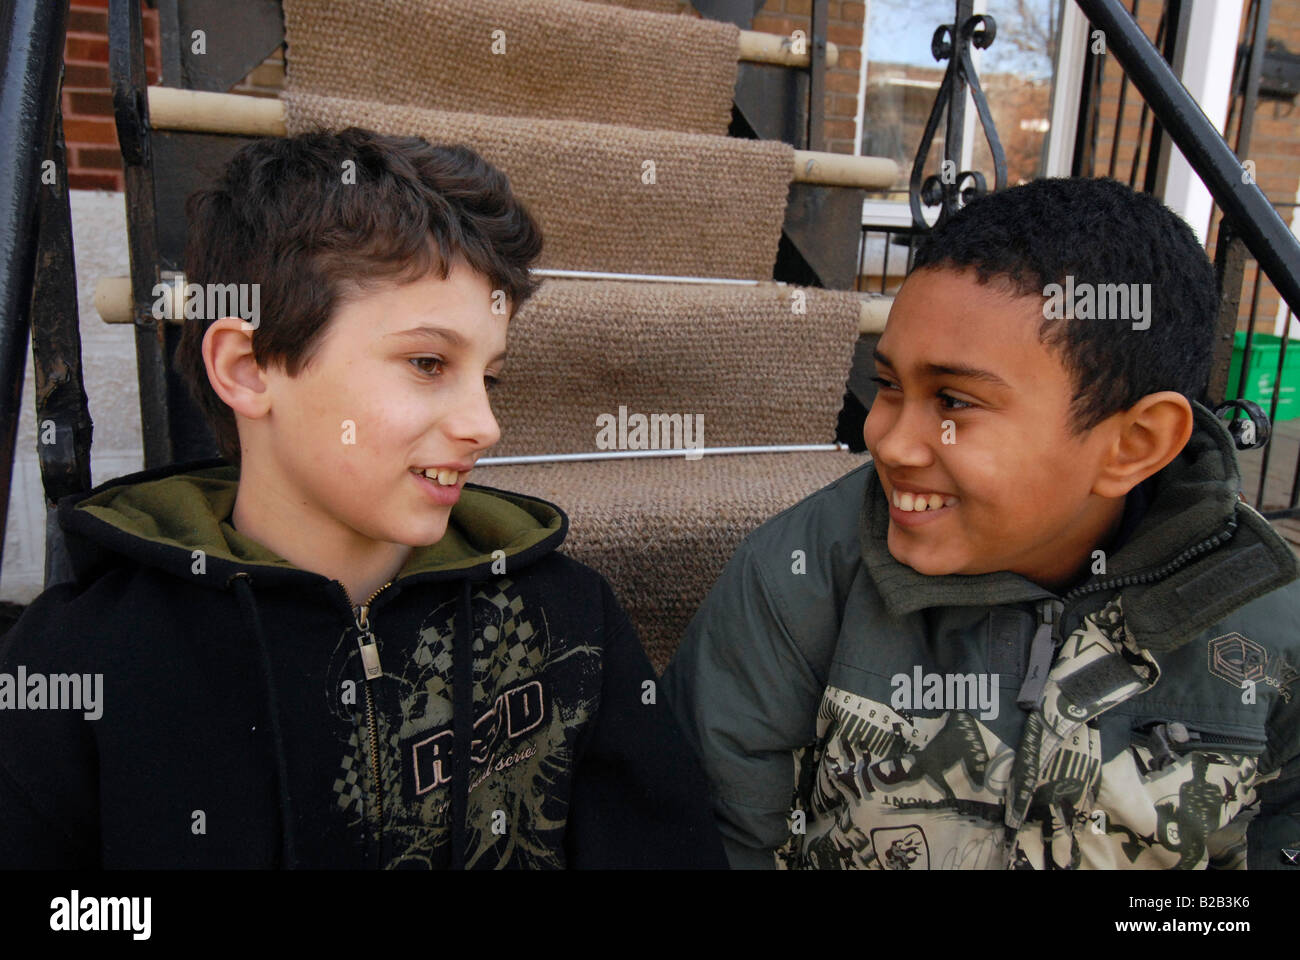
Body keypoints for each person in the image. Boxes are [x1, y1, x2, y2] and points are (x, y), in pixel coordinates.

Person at [0, 128, 725, 869]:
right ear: (249, 369)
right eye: (427, 362)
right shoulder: (81, 659)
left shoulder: (570, 622)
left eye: (491, 376)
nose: (484, 425)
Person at [662, 177, 1300, 870]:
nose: (890, 441)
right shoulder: (800, 577)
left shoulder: (1271, 636)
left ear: (1134, 445)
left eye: (955, 401)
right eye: (888, 385)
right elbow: (711, 842)